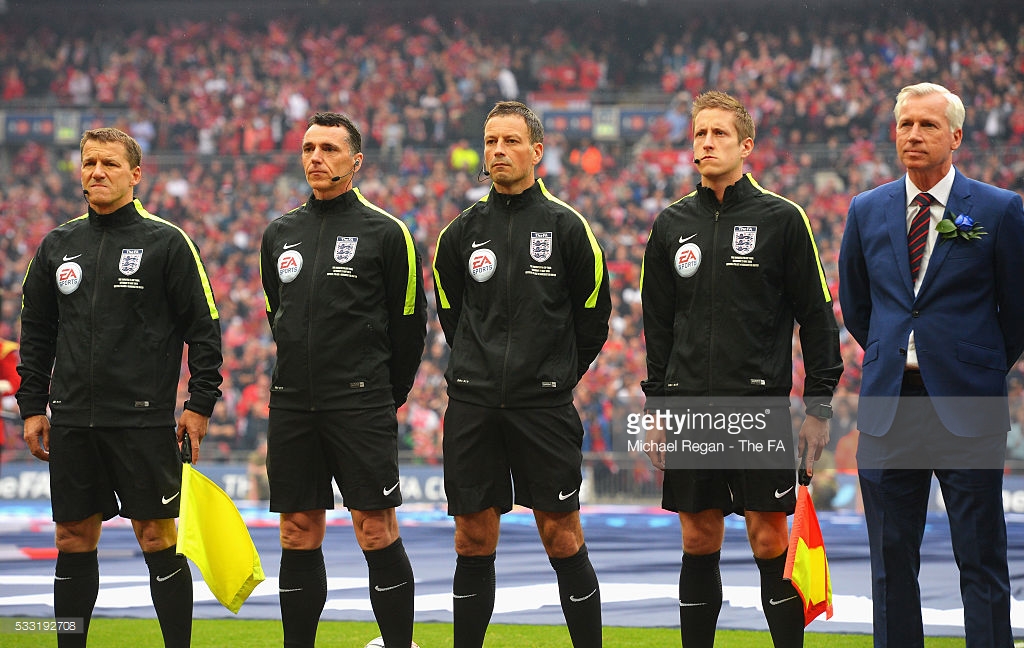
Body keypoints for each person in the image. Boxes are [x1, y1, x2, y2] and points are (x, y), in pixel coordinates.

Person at [640, 90, 842, 648]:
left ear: (746, 145)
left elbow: (817, 319)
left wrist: (819, 406)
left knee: (768, 539)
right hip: (688, 408)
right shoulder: (669, 224)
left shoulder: (782, 219)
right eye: (699, 134)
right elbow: (657, 327)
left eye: (719, 134)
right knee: (698, 538)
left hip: (758, 406)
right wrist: (657, 407)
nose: (706, 143)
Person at [17, 127, 223, 648]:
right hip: (73, 419)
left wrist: (199, 406)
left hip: (142, 419)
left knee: (157, 537)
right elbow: (35, 334)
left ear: (135, 174)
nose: (96, 172)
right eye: (89, 163)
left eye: (109, 163)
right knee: (72, 538)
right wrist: (32, 407)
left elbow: (204, 329)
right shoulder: (57, 245)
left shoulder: (167, 242)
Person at [838, 82, 1024, 648]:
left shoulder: (998, 208)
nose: (913, 135)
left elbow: (1016, 311)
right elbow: (857, 304)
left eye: (927, 125)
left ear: (957, 137)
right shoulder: (866, 210)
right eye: (905, 125)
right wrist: (896, 357)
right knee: (891, 565)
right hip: (891, 405)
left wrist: (976, 366)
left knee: (981, 559)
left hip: (968, 403)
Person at [432, 100, 611, 648]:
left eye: (510, 141)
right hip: (474, 406)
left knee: (561, 535)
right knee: (472, 538)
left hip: (543, 407)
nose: (498, 152)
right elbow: (452, 316)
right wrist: (480, 372)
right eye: (490, 142)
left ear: (537, 151)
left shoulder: (567, 227)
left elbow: (593, 318)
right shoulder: (459, 234)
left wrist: (554, 375)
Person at [260, 111, 427, 648]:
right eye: (309, 148)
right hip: (292, 404)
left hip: (360, 404)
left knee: (374, 528)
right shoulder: (279, 233)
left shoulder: (387, 232)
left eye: (330, 149)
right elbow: (276, 315)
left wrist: (382, 396)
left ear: (355, 162)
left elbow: (409, 328)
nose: (316, 158)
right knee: (296, 531)